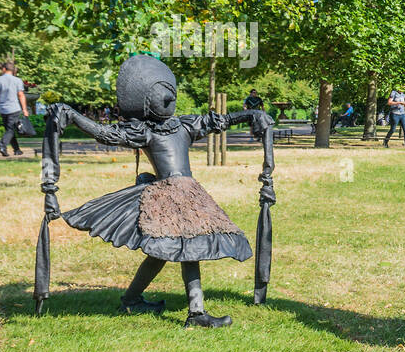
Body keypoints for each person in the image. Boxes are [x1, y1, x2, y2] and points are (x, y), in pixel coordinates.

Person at [37, 54, 276, 327]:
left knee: (167, 248)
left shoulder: (185, 125)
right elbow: (105, 134)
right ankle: (196, 314)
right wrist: (73, 116)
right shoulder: (145, 131)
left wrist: (252, 114)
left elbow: (220, 121)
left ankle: (132, 300)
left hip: (187, 194)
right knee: (186, 247)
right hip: (165, 196)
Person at [0, 59, 30, 157]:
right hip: (14, 108)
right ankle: (2, 145)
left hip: (3, 109)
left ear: (4, 69)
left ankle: (17, 150)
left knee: (9, 129)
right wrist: (25, 109)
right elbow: (21, 95)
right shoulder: (17, 80)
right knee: (10, 130)